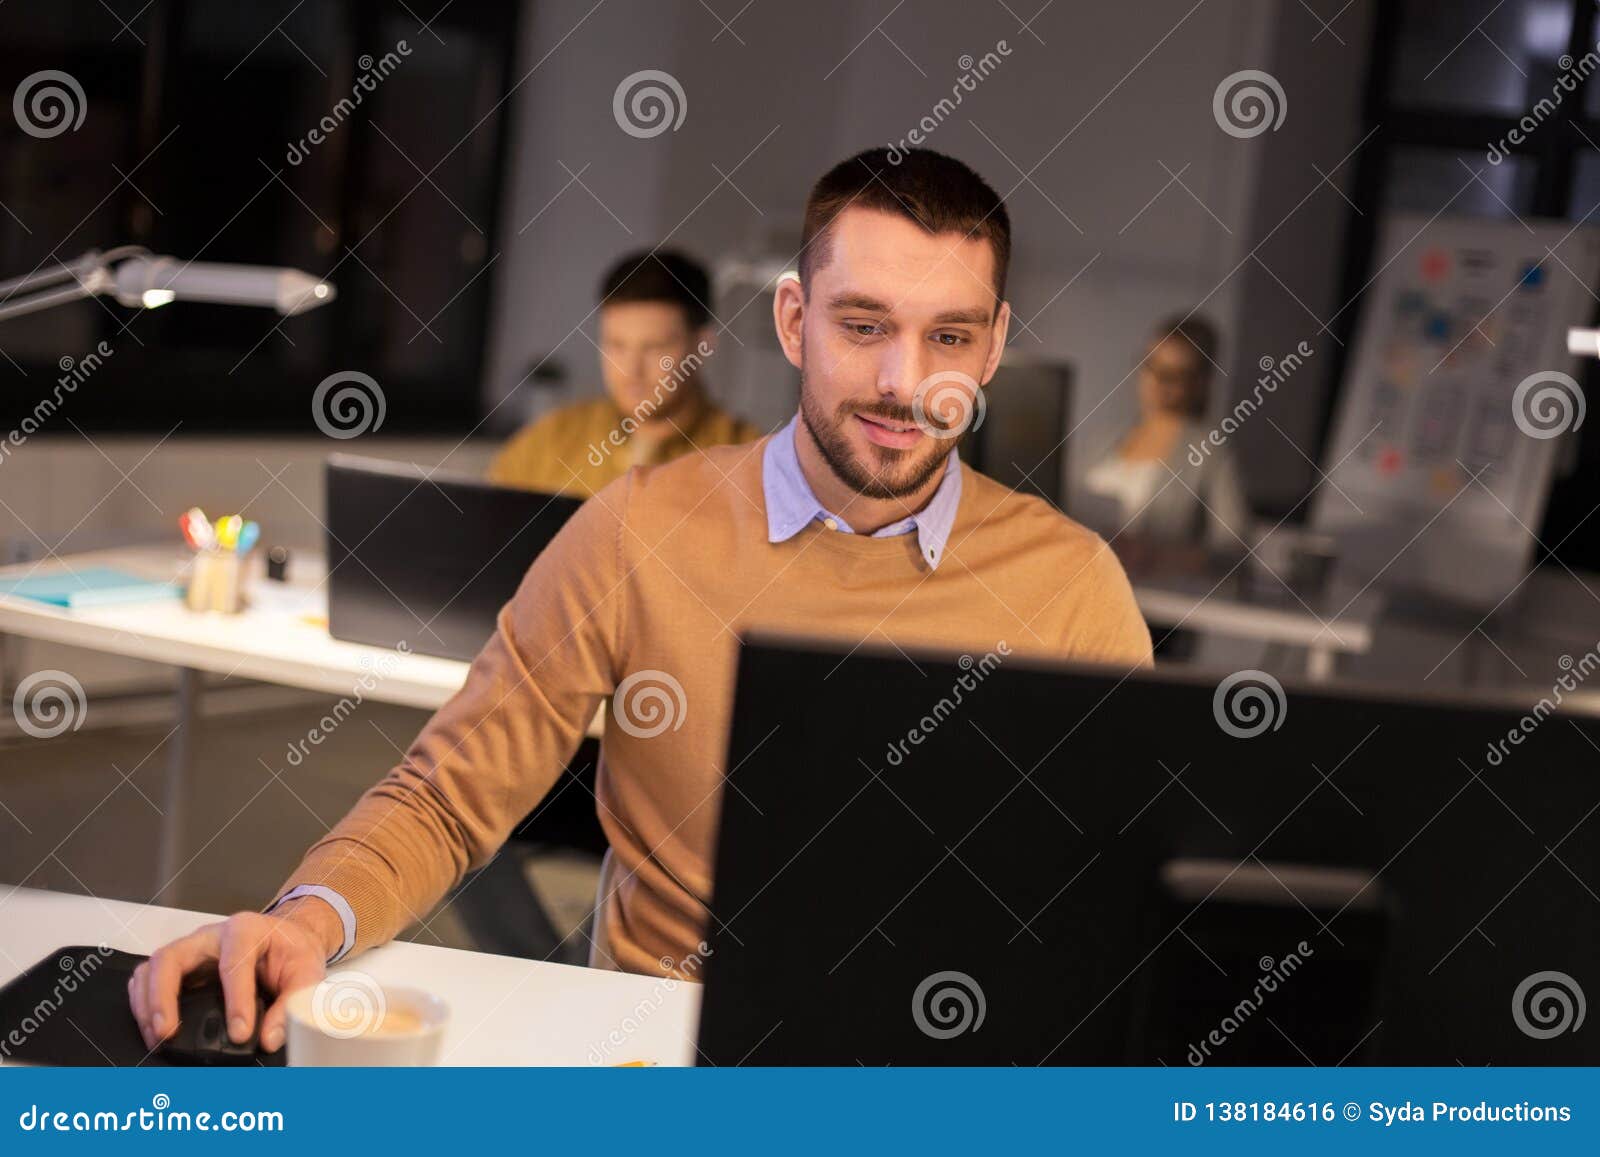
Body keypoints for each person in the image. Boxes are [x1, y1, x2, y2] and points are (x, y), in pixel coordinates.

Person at [127, 147, 1154, 1055]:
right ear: (795, 320)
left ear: (992, 346)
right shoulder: (637, 527)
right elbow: (449, 793)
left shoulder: (1068, 587)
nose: (903, 380)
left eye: (949, 337)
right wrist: (306, 920)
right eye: (865, 323)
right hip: (654, 1056)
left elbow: (1125, 891)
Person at [488, 250, 763, 497]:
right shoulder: (549, 443)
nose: (631, 370)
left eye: (655, 347)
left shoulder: (750, 466)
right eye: (616, 346)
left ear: (703, 345)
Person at [1083, 316, 1253, 575]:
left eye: (1175, 375)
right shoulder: (1105, 440)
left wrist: (1157, 556)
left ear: (1198, 383)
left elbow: (1233, 550)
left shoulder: (1210, 450)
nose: (1159, 383)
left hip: (1148, 594)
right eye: (1152, 366)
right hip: (1084, 579)